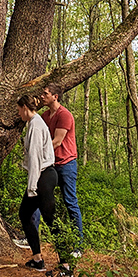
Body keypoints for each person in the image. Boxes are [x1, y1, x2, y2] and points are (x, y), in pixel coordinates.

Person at [17, 94, 57, 272]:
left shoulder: (35, 125)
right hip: (42, 176)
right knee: (25, 214)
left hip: (43, 177)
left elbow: (35, 159)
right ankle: (37, 258)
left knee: (50, 219)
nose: (19, 113)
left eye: (19, 110)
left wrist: (32, 187)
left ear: (25, 107)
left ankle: (66, 262)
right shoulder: (33, 123)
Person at [41, 83, 84, 248]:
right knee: (38, 196)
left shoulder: (64, 115)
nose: (42, 96)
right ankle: (32, 237)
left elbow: (57, 142)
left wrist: (38, 154)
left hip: (66, 165)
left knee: (70, 202)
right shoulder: (45, 116)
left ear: (55, 96)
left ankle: (78, 245)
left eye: (45, 94)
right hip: (51, 164)